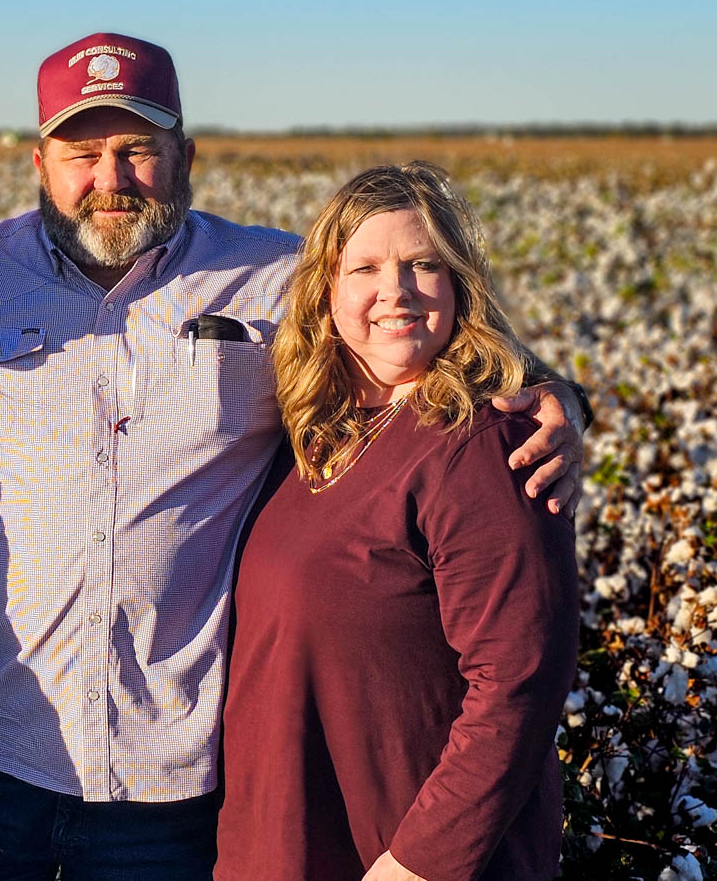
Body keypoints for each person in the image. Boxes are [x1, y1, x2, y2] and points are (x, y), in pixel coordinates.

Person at [0, 33, 586, 878]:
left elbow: (405, 327)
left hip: (176, 792)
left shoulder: (276, 280)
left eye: (138, 150)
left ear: (185, 155)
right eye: (83, 153)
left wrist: (547, 397)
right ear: (41, 162)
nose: (110, 179)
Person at [214, 162, 579, 880]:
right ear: (326, 291)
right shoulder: (317, 436)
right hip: (286, 843)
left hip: (401, 857)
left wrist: (420, 863)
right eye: (366, 268)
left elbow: (520, 678)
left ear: (461, 287)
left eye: (423, 265)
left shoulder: (483, 445)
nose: (396, 292)